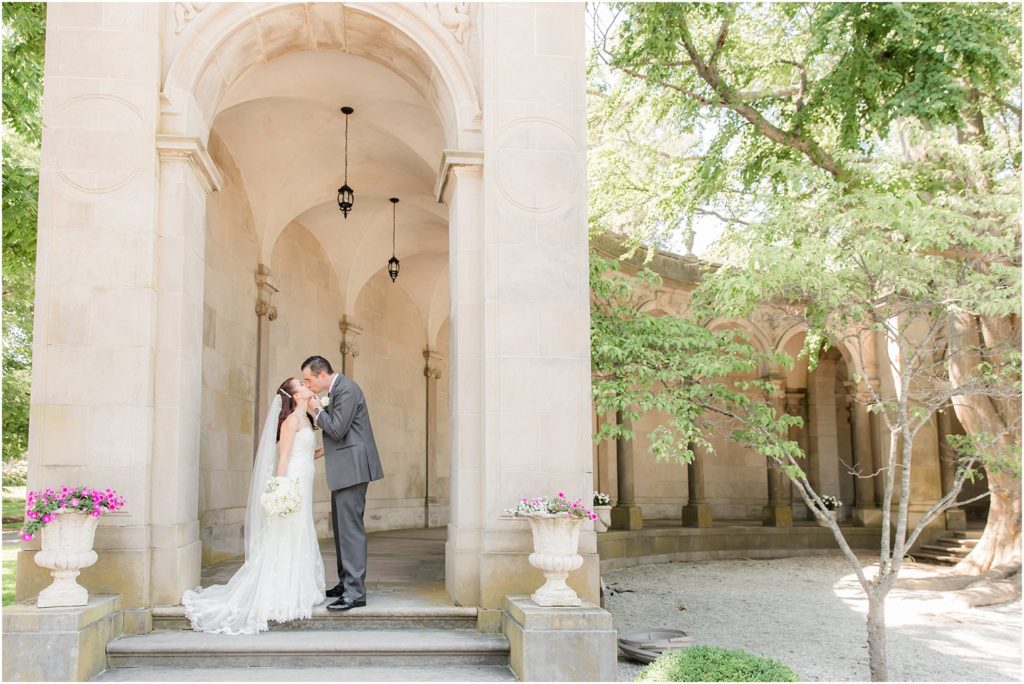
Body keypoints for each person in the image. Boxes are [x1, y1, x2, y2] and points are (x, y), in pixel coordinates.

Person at [181, 378, 325, 634]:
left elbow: (303, 453)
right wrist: (282, 491)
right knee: (286, 534)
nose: (306, 385)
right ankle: (281, 595)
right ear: (294, 396)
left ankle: (298, 589)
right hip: (293, 483)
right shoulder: (291, 420)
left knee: (299, 533)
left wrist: (325, 452)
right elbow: (283, 458)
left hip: (305, 481)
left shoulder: (307, 419)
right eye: (300, 385)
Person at [300, 355, 383, 611]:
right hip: (346, 467)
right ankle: (346, 582)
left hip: (353, 470)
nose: (307, 385)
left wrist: (316, 408)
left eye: (308, 380)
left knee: (350, 530)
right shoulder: (338, 389)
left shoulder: (346, 389)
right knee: (341, 529)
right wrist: (324, 450)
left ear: (322, 374)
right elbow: (348, 431)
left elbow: (336, 429)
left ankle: (355, 593)